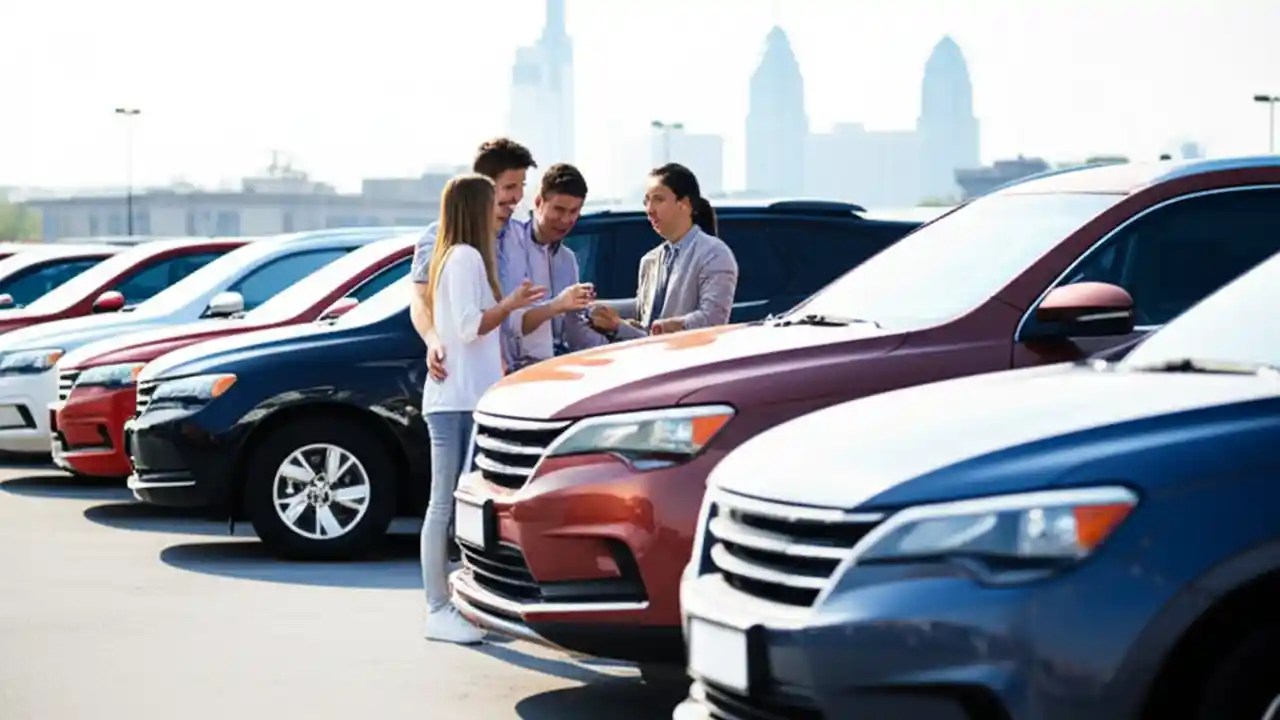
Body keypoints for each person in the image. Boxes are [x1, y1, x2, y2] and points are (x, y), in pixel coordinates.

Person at [414, 173, 545, 644]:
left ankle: (456, 605)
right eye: (494, 201)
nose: (503, 209)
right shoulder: (466, 257)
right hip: (458, 403)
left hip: (466, 399)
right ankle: (436, 608)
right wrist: (510, 303)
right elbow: (470, 327)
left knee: (456, 507)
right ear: (475, 207)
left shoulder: (458, 256)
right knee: (443, 505)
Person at [410, 138, 538, 380]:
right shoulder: (440, 239)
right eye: (510, 187)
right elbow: (421, 300)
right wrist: (432, 340)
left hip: (516, 375)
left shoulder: (520, 237)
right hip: (466, 377)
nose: (518, 196)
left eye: (522, 185)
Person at [588, 163, 738, 340]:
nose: (649, 210)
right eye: (646, 201)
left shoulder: (714, 253)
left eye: (658, 199)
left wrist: (624, 326)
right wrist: (592, 308)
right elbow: (643, 311)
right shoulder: (650, 260)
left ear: (685, 204)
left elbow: (712, 321)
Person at [510, 163, 605, 367]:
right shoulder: (511, 248)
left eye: (574, 211)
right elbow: (512, 326)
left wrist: (614, 343)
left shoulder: (567, 260)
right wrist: (558, 305)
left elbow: (574, 328)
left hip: (559, 366)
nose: (565, 219)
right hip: (518, 370)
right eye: (559, 209)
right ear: (538, 202)